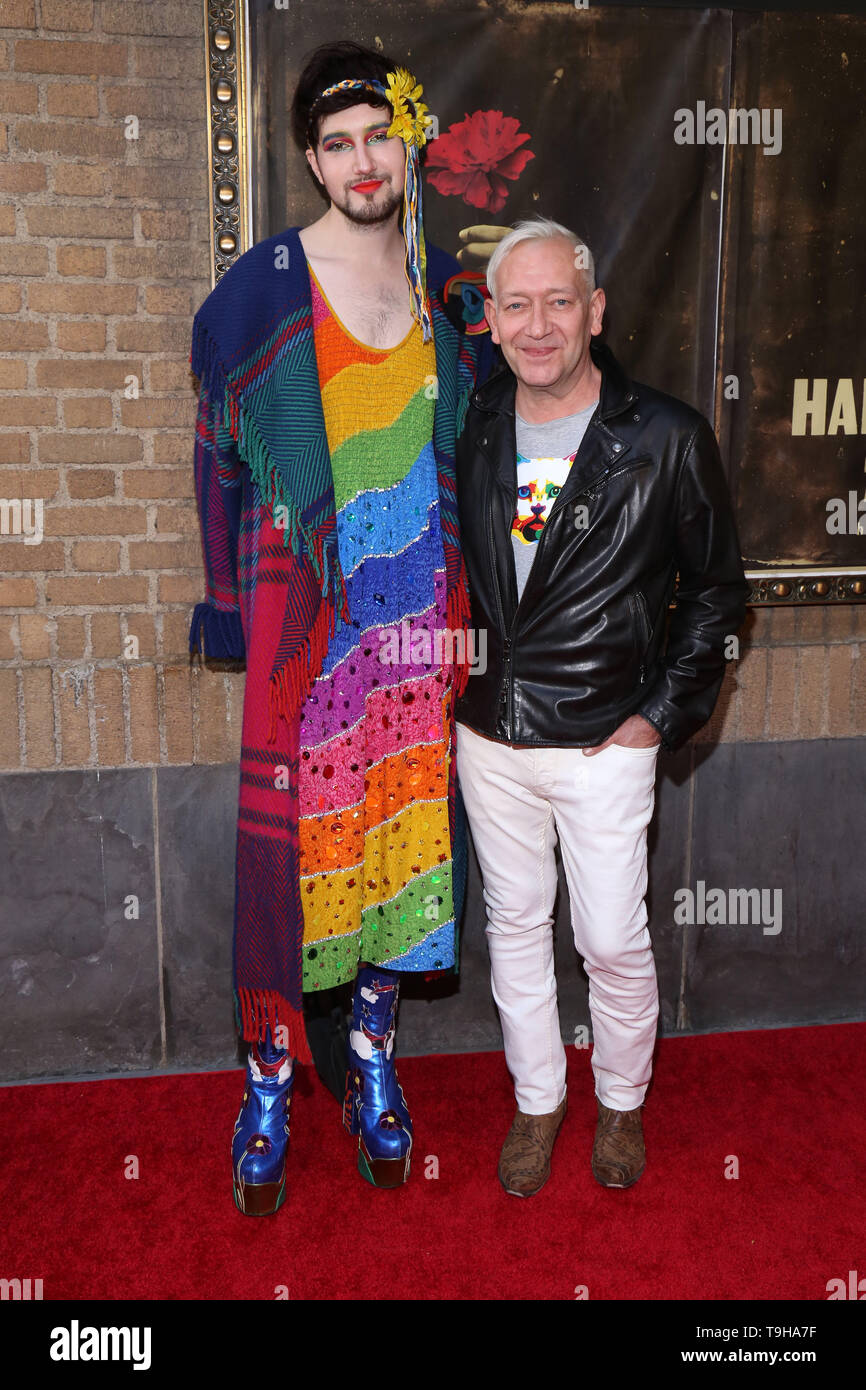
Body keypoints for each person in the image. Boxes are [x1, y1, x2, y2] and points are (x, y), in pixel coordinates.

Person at [189, 40, 492, 1212]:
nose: (362, 161)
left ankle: (372, 1056)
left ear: (407, 142)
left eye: (379, 136)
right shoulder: (262, 287)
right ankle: (268, 1073)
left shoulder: (440, 291)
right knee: (291, 861)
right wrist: (228, 606)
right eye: (336, 144)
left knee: (395, 842)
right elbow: (218, 467)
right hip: (307, 624)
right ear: (311, 161)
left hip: (417, 630)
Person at [454, 216, 749, 1196]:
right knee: (512, 924)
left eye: (556, 301)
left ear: (594, 311)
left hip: (603, 738)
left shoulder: (665, 435)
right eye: (515, 304)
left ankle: (619, 1098)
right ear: (490, 319)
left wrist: (658, 714)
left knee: (611, 938)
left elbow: (715, 592)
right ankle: (537, 1100)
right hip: (491, 733)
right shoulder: (480, 421)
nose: (536, 324)